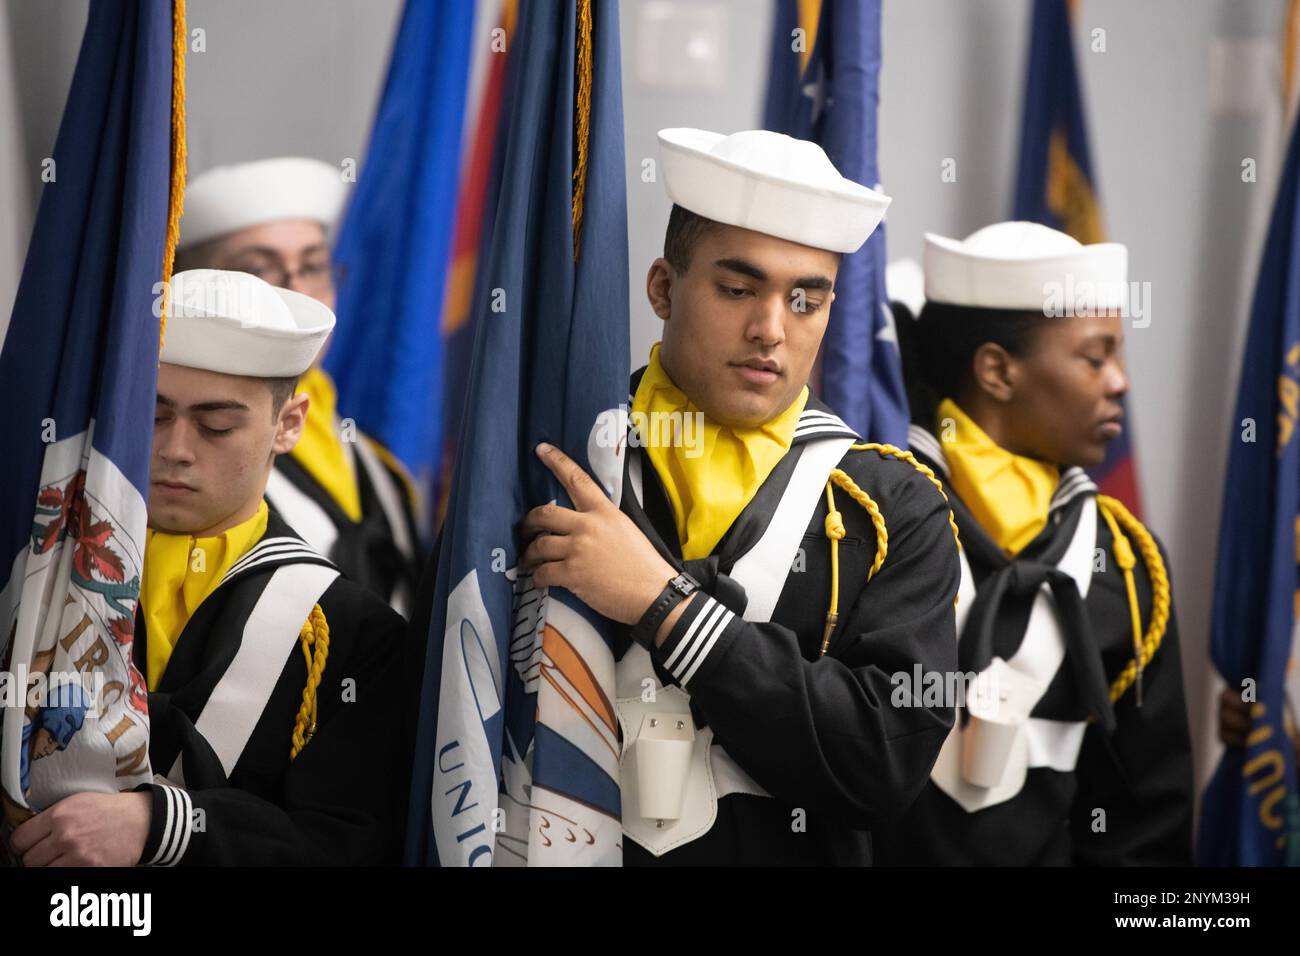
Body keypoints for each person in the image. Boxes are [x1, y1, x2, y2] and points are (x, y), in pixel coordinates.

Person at [515, 128, 963, 865]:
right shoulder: (553, 463)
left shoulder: (893, 507)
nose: (770, 330)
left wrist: (668, 610)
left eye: (806, 301)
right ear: (662, 287)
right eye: (736, 289)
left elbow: (884, 764)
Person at [9, 269, 407, 865]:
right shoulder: (33, 575)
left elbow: (352, 844)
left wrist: (166, 826)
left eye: (217, 424)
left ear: (288, 424)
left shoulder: (351, 633)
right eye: (154, 413)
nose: (176, 449)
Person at [875, 221, 1194, 865]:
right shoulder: (871, 523)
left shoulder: (1127, 565)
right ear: (996, 370)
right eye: (1095, 355)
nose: (1120, 382)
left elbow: (1146, 824)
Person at [176, 157, 424, 616]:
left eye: (312, 266)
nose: (295, 292)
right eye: (259, 271)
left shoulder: (378, 465)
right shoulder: (174, 463)